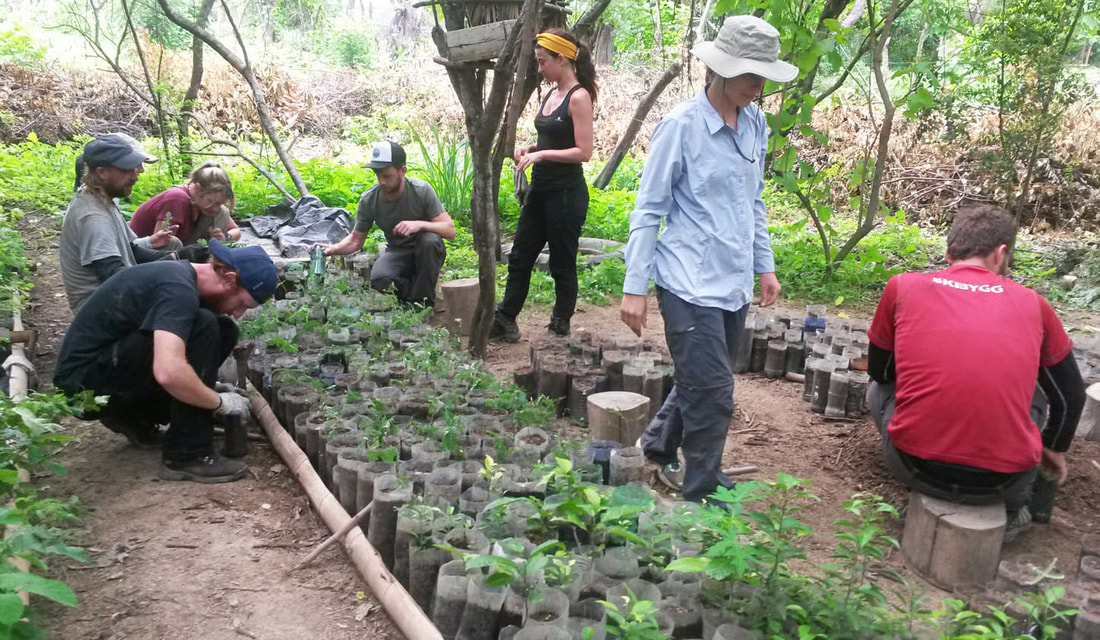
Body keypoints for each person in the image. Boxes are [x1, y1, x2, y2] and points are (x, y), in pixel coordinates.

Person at [619, 16, 795, 503]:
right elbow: (648, 210)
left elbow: (752, 201)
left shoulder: (755, 123)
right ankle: (701, 489)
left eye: (763, 77)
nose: (757, 86)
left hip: (732, 280)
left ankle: (655, 445)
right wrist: (635, 287)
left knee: (703, 377)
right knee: (715, 391)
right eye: (748, 75)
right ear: (718, 69)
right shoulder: (681, 128)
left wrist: (765, 264)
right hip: (687, 281)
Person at [866, 204, 1085, 541]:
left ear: (948, 251)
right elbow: (1070, 394)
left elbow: (881, 371)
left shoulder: (901, 287)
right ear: (1000, 254)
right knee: (1036, 396)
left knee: (875, 389)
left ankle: (923, 475)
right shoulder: (1034, 304)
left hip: (913, 466)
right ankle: (1014, 510)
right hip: (1003, 481)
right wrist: (1053, 447)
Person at [53, 240, 277, 483]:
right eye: (242, 303)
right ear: (230, 279)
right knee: (205, 325)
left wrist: (204, 387)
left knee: (224, 329)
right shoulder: (176, 288)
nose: (238, 312)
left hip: (106, 372)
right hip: (82, 388)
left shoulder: (181, 279)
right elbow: (168, 372)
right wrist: (217, 402)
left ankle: (136, 417)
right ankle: (188, 453)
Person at [490, 28, 597, 342]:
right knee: (521, 255)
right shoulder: (552, 94)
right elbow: (551, 141)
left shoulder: (579, 96)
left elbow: (584, 152)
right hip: (540, 190)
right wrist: (531, 150)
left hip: (566, 193)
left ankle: (560, 322)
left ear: (560, 59)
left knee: (562, 261)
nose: (539, 69)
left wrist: (542, 155)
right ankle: (505, 319)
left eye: (542, 62)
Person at [60, 134, 202, 312]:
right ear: (101, 172)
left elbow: (131, 250)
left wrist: (179, 256)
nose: (136, 176)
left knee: (176, 252)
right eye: (127, 169)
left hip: (113, 296)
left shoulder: (101, 196)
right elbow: (115, 279)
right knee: (195, 310)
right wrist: (175, 266)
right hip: (100, 310)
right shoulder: (93, 217)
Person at [318, 141, 455, 306]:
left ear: (402, 171)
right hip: (398, 251)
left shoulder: (421, 191)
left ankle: (422, 302)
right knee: (380, 278)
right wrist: (332, 249)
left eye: (387, 176)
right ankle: (415, 290)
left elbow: (449, 231)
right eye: (378, 176)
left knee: (429, 241)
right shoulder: (370, 199)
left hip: (426, 250)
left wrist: (420, 224)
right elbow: (356, 239)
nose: (381, 181)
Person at [129, 161, 242, 246]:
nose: (215, 208)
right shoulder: (177, 199)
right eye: (211, 202)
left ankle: (208, 253)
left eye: (219, 203)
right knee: (173, 242)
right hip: (144, 251)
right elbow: (161, 242)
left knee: (222, 212)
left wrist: (223, 237)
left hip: (181, 246)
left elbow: (236, 231)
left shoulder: (204, 205)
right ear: (197, 189)